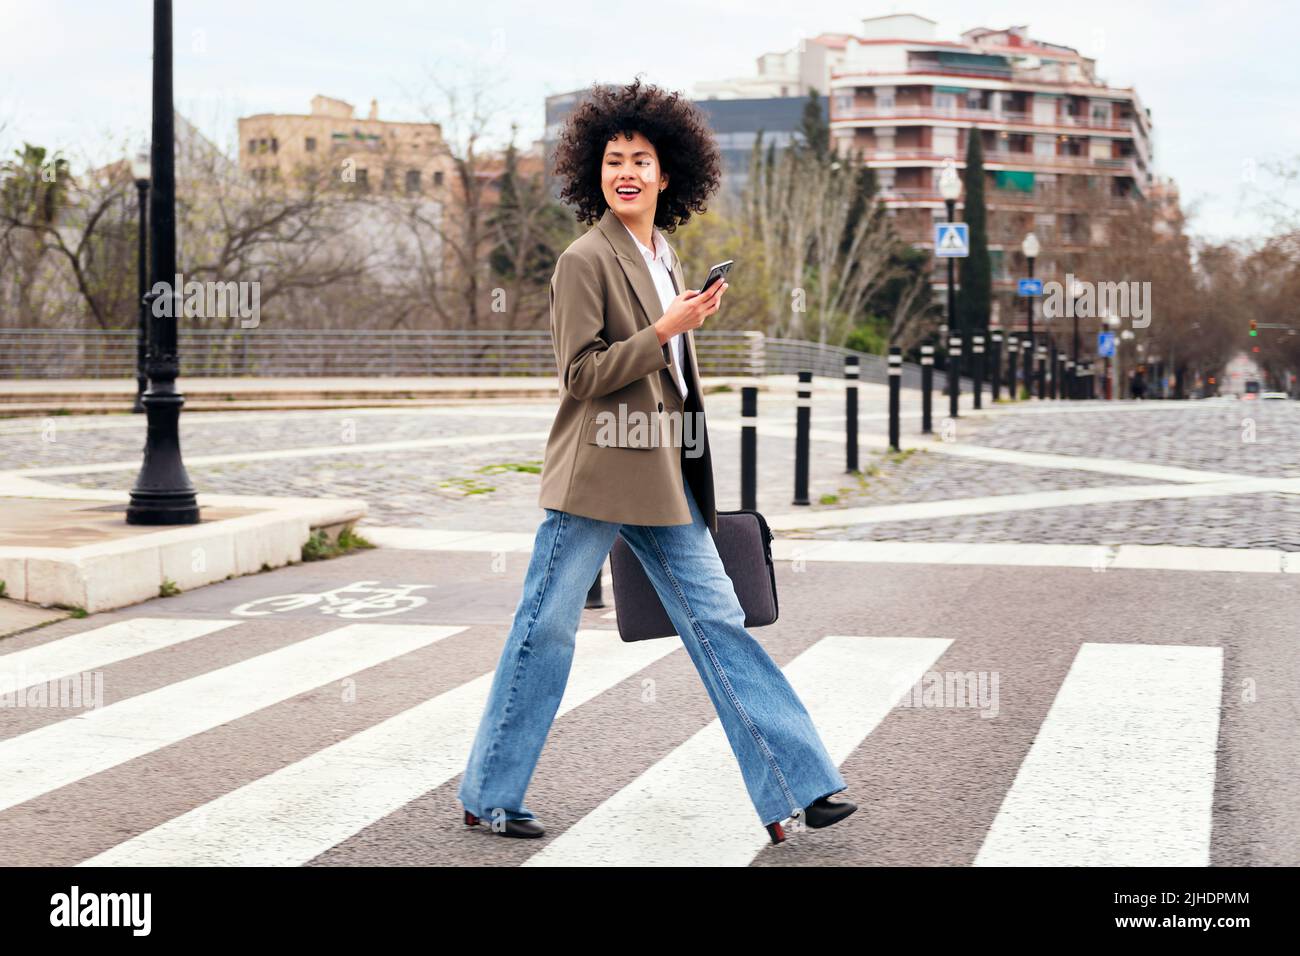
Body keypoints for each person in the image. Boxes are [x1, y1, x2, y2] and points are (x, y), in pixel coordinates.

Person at [457, 79, 854, 846]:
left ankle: (796, 787)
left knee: (721, 623)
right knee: (548, 631)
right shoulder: (584, 260)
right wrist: (664, 327)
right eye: (613, 160)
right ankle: (490, 793)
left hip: (665, 480)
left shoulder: (665, 257)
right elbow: (579, 374)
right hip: (596, 478)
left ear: (668, 173)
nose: (627, 171)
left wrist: (680, 327)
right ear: (594, 174)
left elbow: (674, 384)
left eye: (641, 159)